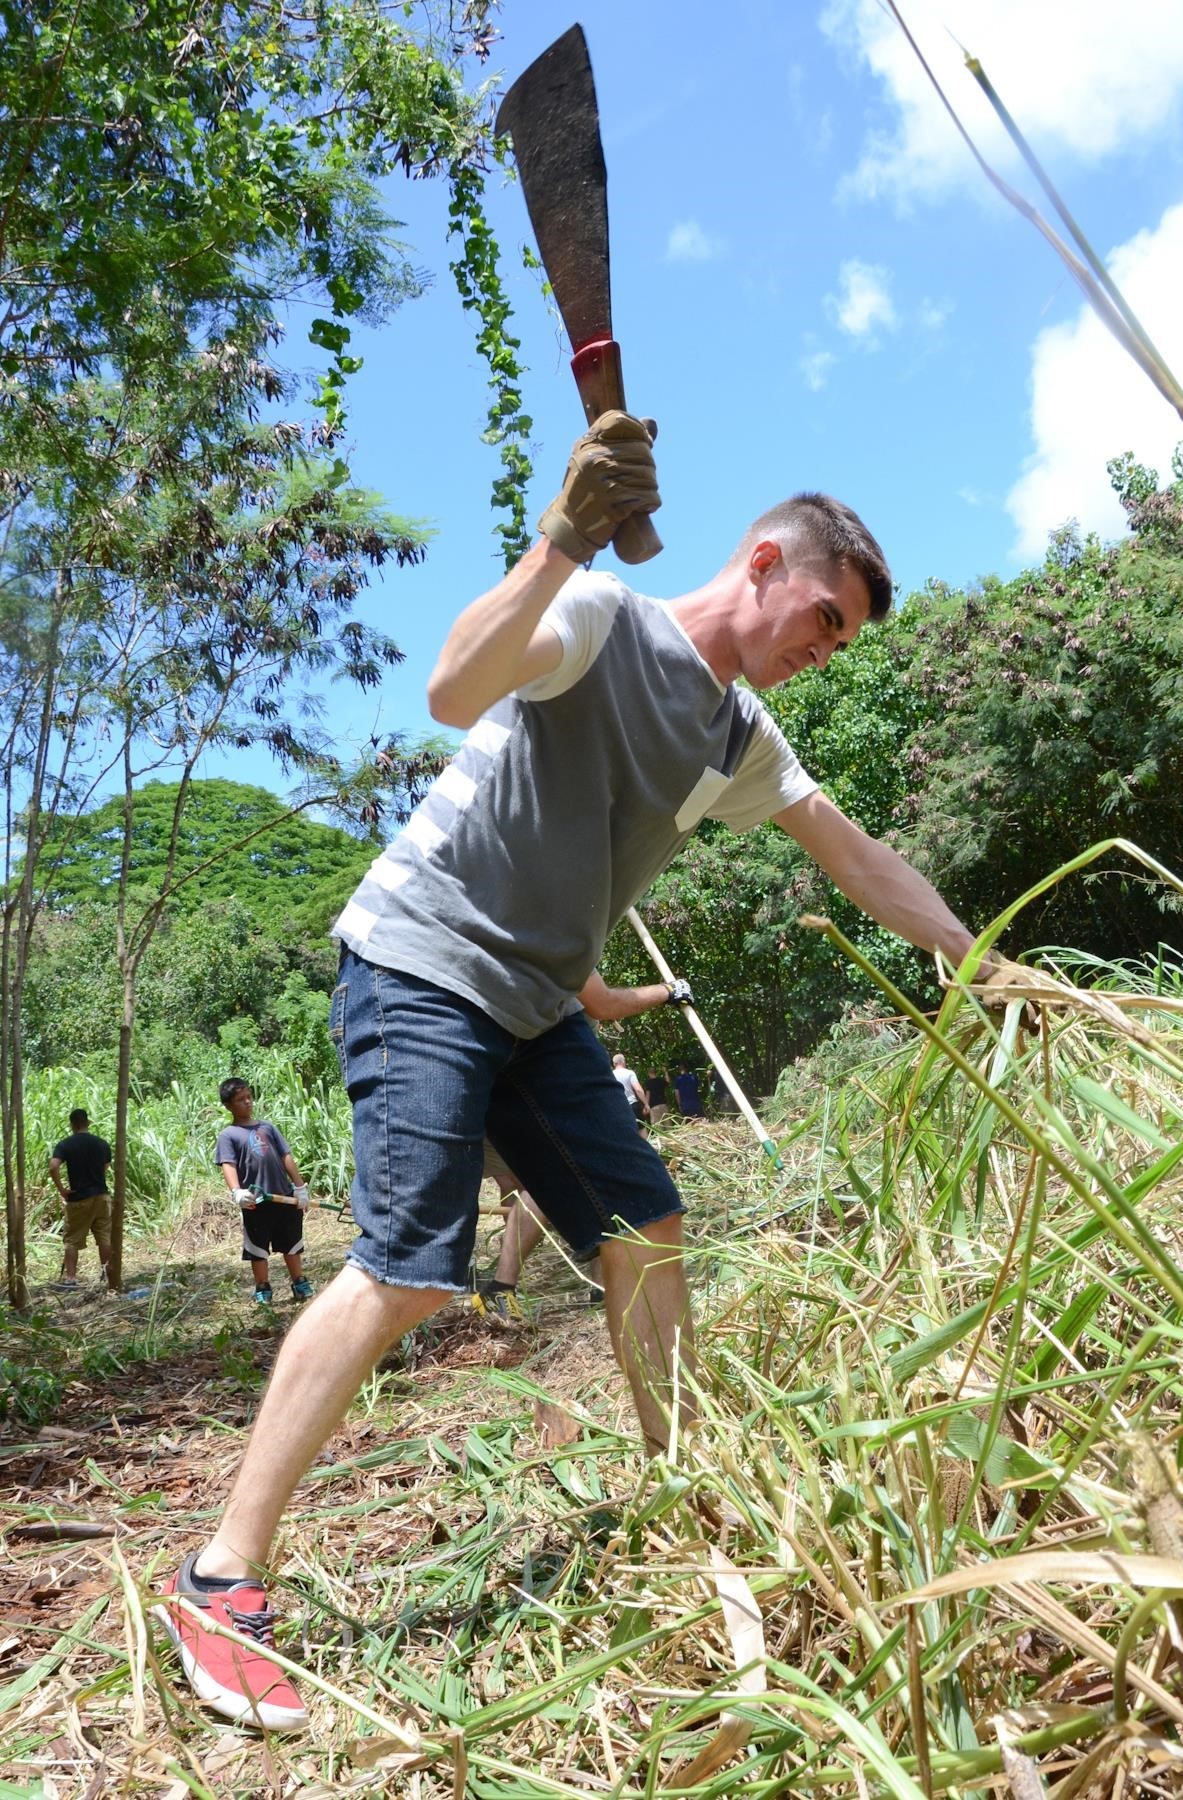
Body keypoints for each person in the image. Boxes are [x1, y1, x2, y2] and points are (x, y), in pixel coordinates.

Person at [160, 407, 1002, 1731]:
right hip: (424, 961)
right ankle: (219, 1577)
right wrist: (561, 537)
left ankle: (686, 1498)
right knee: (409, 1268)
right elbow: (453, 688)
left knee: (644, 1225)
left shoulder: (736, 738)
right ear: (764, 563)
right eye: (823, 618)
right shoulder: (603, 620)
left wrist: (976, 957)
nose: (820, 650)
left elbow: (853, 855)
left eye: (839, 640)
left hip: (537, 1005)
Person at [476, 970, 692, 1311]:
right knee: (579, 1180)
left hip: (493, 1085)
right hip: (535, 1083)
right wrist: (669, 990)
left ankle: (596, 1285)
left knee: (541, 1184)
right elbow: (605, 1002)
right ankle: (502, 1286)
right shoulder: (557, 945)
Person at [214, 1079, 314, 1308]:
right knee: (258, 1249)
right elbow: (228, 1164)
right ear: (228, 1105)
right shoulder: (229, 1135)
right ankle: (263, 1288)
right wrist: (237, 1191)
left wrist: (300, 1187)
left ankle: (299, 1282)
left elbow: (286, 1156)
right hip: (256, 1201)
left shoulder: (267, 1128)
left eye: (249, 1097)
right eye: (240, 1100)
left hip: (284, 1197)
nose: (247, 1102)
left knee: (291, 1243)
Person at [48, 1109, 116, 1292]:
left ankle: (71, 1279)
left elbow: (53, 1166)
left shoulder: (66, 1144)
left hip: (79, 1198)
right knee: (104, 1237)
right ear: (88, 1123)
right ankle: (107, 1276)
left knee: (72, 1240)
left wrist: (62, 1189)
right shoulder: (102, 1144)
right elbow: (106, 1166)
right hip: (102, 1196)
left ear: (72, 1124)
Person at [612, 1053, 649, 1126]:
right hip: (632, 1106)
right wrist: (646, 1104)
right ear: (623, 1061)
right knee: (641, 1130)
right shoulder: (629, 1073)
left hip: (619, 1108)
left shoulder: (610, 1076)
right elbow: (638, 1090)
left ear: (614, 1064)